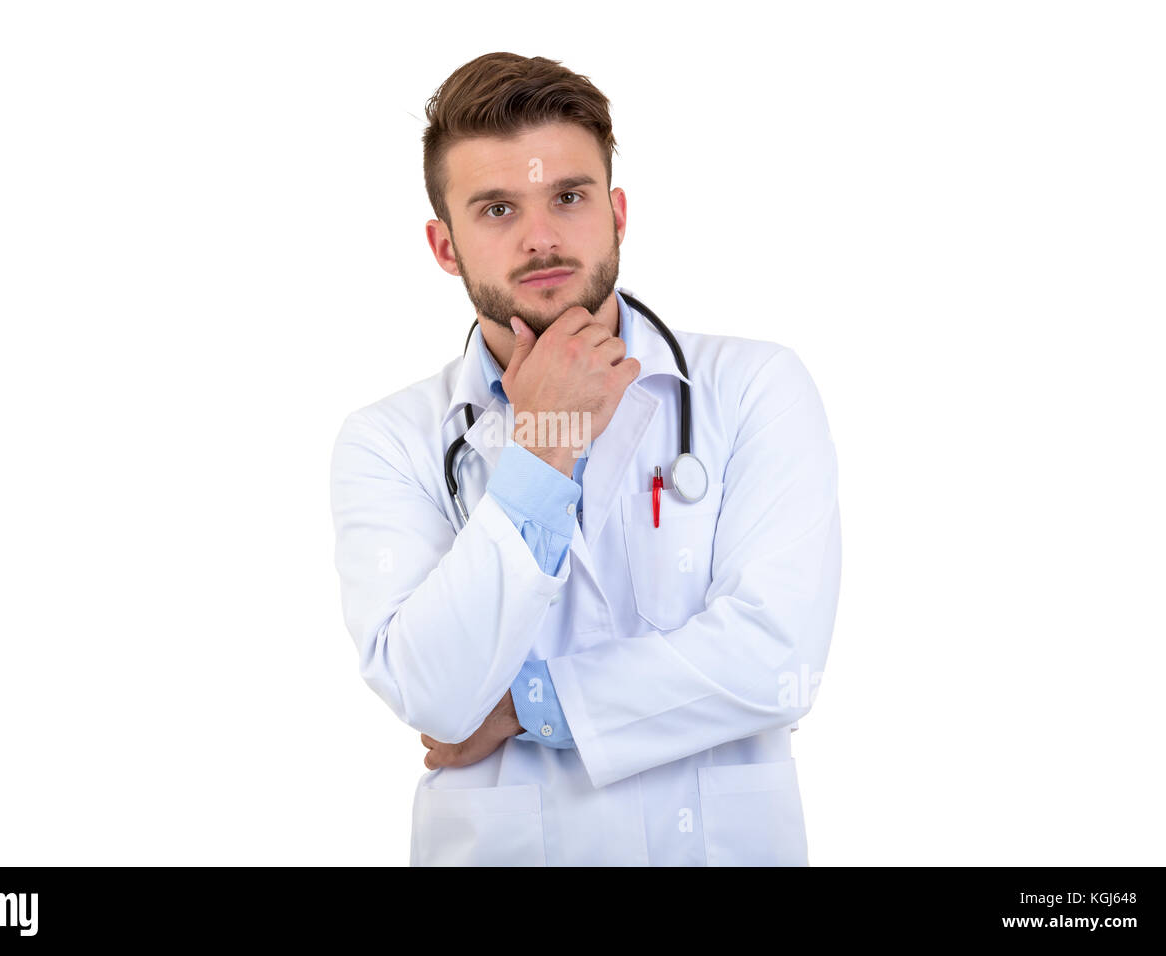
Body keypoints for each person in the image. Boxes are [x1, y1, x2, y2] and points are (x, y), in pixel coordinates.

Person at [329, 52, 841, 866]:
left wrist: (529, 705)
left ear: (618, 213)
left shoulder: (752, 389)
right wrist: (544, 444)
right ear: (444, 245)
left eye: (569, 197)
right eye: (497, 208)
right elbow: (434, 693)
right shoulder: (388, 441)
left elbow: (775, 657)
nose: (541, 238)